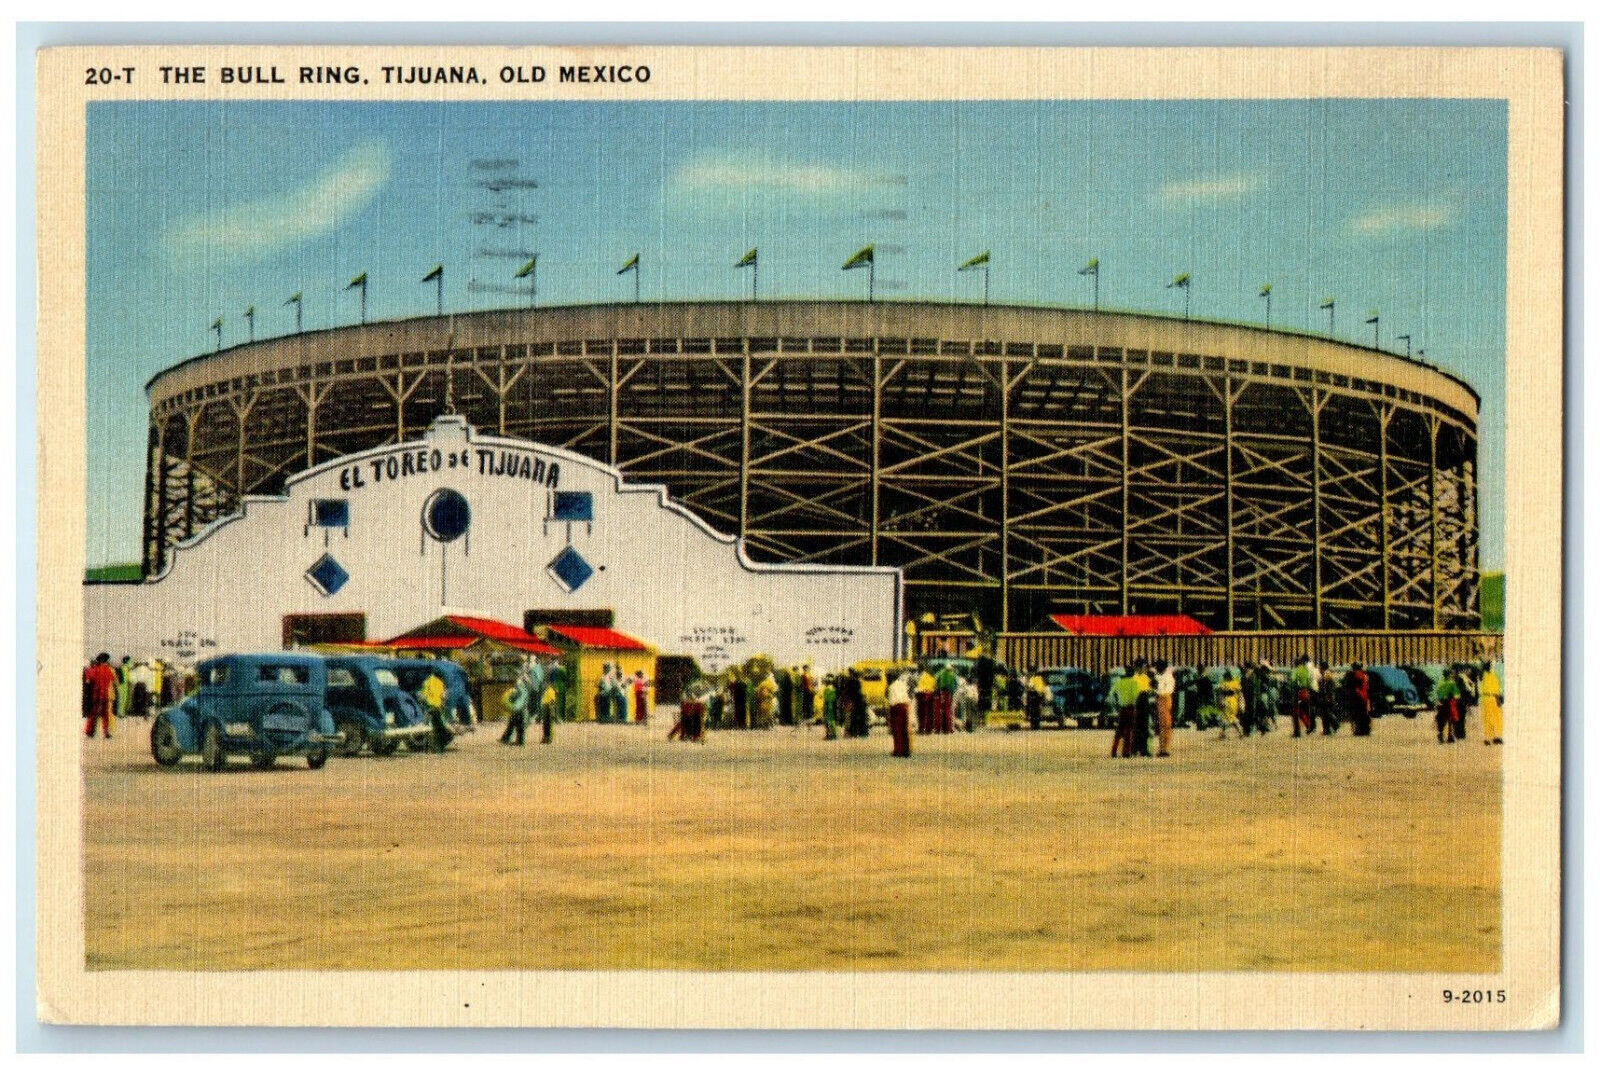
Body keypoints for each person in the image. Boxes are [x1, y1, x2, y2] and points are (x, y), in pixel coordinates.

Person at [1110, 662, 1145, 758]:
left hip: (1122, 708)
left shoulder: (1119, 682)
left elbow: (1112, 694)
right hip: (1131, 708)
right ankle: (1126, 752)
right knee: (1129, 731)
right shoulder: (1134, 682)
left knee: (1119, 730)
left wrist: (1117, 703)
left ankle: (1114, 751)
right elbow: (1135, 695)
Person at [83, 652, 116, 739]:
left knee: (93, 714)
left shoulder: (94, 669)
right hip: (106, 695)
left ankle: (90, 732)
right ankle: (106, 733)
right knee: (105, 715)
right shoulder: (109, 670)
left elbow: (87, 681)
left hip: (96, 695)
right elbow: (114, 680)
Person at [419, 669, 451, 751]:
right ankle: (439, 747)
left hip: (429, 707)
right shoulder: (440, 682)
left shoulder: (427, 682)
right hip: (438, 707)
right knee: (440, 728)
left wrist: (423, 703)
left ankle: (429, 747)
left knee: (430, 728)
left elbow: (423, 696)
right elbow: (444, 696)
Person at [1289, 655, 1318, 737]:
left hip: (1298, 693)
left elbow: (1293, 681)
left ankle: (1297, 732)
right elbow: (1309, 681)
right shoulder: (1306, 670)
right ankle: (1309, 725)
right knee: (1305, 710)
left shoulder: (1296, 671)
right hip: (1306, 692)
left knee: (1295, 712)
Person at [886, 670, 913, 757]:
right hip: (905, 706)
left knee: (897, 730)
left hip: (896, 707)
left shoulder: (891, 686)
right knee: (905, 729)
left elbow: (891, 700)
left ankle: (898, 750)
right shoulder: (902, 684)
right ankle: (906, 750)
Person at [1152, 659, 1176, 757]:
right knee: (1160, 726)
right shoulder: (1158, 676)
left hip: (1165, 699)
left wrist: (1155, 688)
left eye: (1157, 667)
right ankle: (1162, 748)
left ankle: (1165, 748)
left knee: (1165, 725)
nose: (1156, 668)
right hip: (1159, 700)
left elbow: (1166, 690)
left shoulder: (1168, 677)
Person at [1434, 669, 1463, 744]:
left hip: (1441, 702)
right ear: (1449, 675)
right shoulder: (1452, 683)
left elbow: (1437, 693)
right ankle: (1450, 736)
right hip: (1449, 703)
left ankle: (1440, 734)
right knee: (1450, 719)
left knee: (1441, 719)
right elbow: (1457, 695)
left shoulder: (1440, 683)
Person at [1479, 661, 1503, 745]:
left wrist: (1498, 698)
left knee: (1495, 718)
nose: (1492, 667)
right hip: (1488, 698)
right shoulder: (1484, 675)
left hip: (1493, 698)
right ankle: (1488, 738)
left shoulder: (1493, 675)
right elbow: (1481, 675)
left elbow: (1498, 688)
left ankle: (1496, 737)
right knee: (1489, 718)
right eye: (1491, 665)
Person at [1345, 661, 1372, 737]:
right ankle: (1366, 730)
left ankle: (1359, 730)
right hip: (1365, 695)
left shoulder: (1353, 674)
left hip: (1357, 695)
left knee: (1357, 714)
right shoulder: (1365, 675)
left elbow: (1349, 686)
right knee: (1364, 713)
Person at [933, 661, 959, 733]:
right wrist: (953, 691)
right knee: (948, 711)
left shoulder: (939, 673)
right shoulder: (953, 674)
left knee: (938, 711)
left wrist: (937, 690)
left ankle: (938, 729)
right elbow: (956, 684)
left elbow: (935, 682)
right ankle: (947, 729)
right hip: (949, 693)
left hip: (940, 693)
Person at [1217, 667, 1244, 739]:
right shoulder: (1236, 683)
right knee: (1228, 718)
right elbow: (1240, 694)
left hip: (1228, 702)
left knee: (1229, 718)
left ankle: (1240, 732)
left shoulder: (1224, 684)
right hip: (1234, 702)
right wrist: (1241, 703)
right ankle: (1223, 734)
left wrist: (1221, 702)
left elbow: (1220, 694)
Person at [842, 670, 870, 738]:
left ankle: (852, 732)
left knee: (852, 717)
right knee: (859, 718)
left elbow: (847, 692)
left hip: (853, 701)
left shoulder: (850, 682)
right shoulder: (858, 682)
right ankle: (861, 732)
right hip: (858, 701)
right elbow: (860, 692)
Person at [1317, 662, 1341, 735]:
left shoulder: (1326, 675)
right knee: (1325, 712)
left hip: (1326, 697)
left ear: (1322, 667)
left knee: (1325, 713)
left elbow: (1325, 687)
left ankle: (1334, 725)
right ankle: (1327, 729)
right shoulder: (1329, 674)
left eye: (1320, 667)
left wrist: (1327, 696)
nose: (1319, 669)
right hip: (1329, 696)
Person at [973, 650, 997, 723]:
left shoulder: (978, 663)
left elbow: (976, 674)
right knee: (987, 701)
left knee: (980, 701)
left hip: (981, 685)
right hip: (988, 685)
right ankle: (986, 719)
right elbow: (993, 674)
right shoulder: (991, 662)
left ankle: (980, 718)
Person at [915, 665, 937, 735]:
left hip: (922, 695)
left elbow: (919, 687)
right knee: (930, 713)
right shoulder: (933, 678)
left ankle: (921, 729)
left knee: (921, 713)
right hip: (931, 695)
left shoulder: (921, 676)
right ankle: (929, 729)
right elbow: (935, 687)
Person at [821, 675, 840, 740]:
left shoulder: (827, 689)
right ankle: (834, 734)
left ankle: (829, 735)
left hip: (829, 706)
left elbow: (826, 699)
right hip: (833, 706)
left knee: (828, 721)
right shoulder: (834, 689)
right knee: (832, 721)